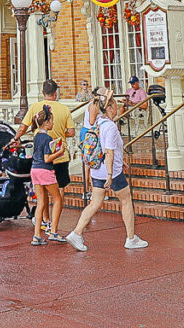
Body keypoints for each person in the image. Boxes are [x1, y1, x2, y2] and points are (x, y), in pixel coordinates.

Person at [66, 88, 147, 251]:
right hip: (111, 172)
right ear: (109, 108)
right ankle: (131, 238)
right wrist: (110, 174)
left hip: (97, 170)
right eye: (114, 105)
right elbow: (108, 151)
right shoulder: (110, 127)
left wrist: (120, 160)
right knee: (126, 200)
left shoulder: (98, 122)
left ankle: (76, 233)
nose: (117, 108)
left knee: (95, 203)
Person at [13, 79, 75, 234]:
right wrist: (60, 134)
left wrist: (16, 138)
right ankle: (54, 225)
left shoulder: (35, 107)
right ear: (56, 93)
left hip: (41, 159)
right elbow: (71, 132)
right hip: (60, 157)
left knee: (43, 192)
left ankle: (46, 222)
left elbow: (23, 126)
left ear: (43, 93)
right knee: (59, 191)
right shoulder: (64, 109)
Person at [27, 105, 63, 245]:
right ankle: (53, 231)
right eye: (52, 121)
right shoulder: (47, 138)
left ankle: (36, 235)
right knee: (57, 198)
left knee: (41, 202)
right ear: (46, 122)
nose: (53, 123)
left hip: (34, 170)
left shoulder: (36, 136)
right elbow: (47, 158)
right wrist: (60, 152)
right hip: (45, 170)